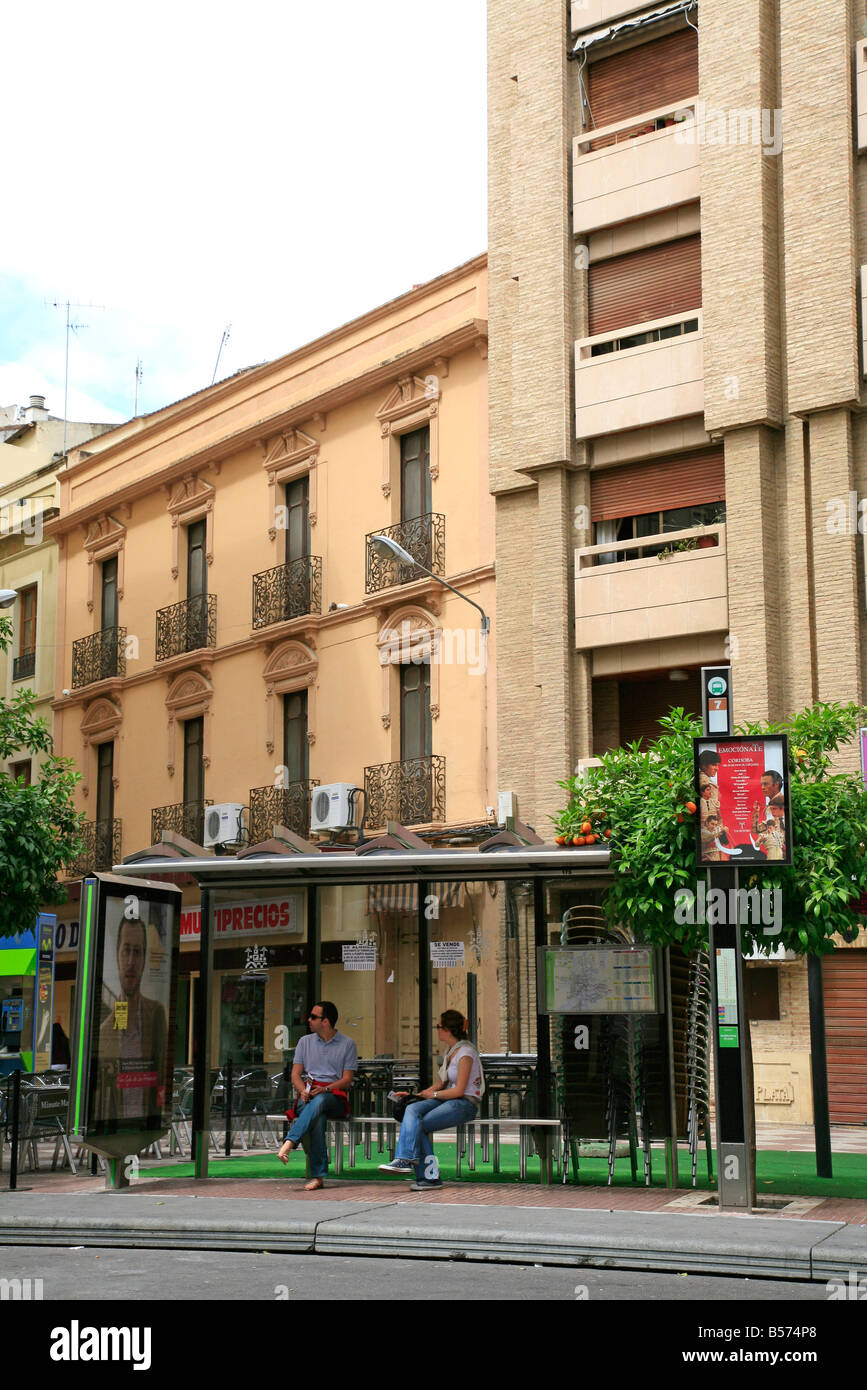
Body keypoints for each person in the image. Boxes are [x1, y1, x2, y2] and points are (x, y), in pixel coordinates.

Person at [379, 1010, 484, 1191]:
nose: (437, 1030)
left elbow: (459, 1090)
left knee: (417, 1125)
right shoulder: (451, 1051)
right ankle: (414, 1167)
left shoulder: (466, 1053)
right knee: (412, 1111)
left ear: (448, 1030)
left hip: (465, 1103)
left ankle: (418, 1169)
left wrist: (433, 1096)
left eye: (438, 1027)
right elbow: (441, 1083)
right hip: (448, 1099)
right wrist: (416, 1096)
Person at [277, 1001, 357, 1191]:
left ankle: (290, 1141)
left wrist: (326, 1089)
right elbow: (295, 1075)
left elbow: (347, 1080)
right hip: (308, 1094)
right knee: (317, 1117)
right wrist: (302, 1090)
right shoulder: (304, 1042)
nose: (309, 1020)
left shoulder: (347, 1044)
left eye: (313, 1017)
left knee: (320, 1100)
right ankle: (318, 1176)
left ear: (326, 1022)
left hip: (334, 1096)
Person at [96, 917, 168, 1123]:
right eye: (126, 950)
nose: (131, 962)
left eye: (137, 952)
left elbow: (161, 1072)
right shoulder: (105, 1031)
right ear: (117, 956)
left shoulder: (156, 1015)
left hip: (145, 1122)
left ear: (145, 959)